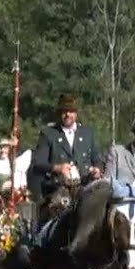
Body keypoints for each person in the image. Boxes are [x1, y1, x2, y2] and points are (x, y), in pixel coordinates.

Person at [28, 94, 104, 222]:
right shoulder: (49, 134)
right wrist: (58, 168)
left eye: (71, 111)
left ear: (76, 113)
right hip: (57, 190)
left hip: (85, 189)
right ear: (59, 113)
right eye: (64, 111)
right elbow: (38, 163)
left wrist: (97, 170)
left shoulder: (87, 133)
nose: (68, 115)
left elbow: (97, 159)